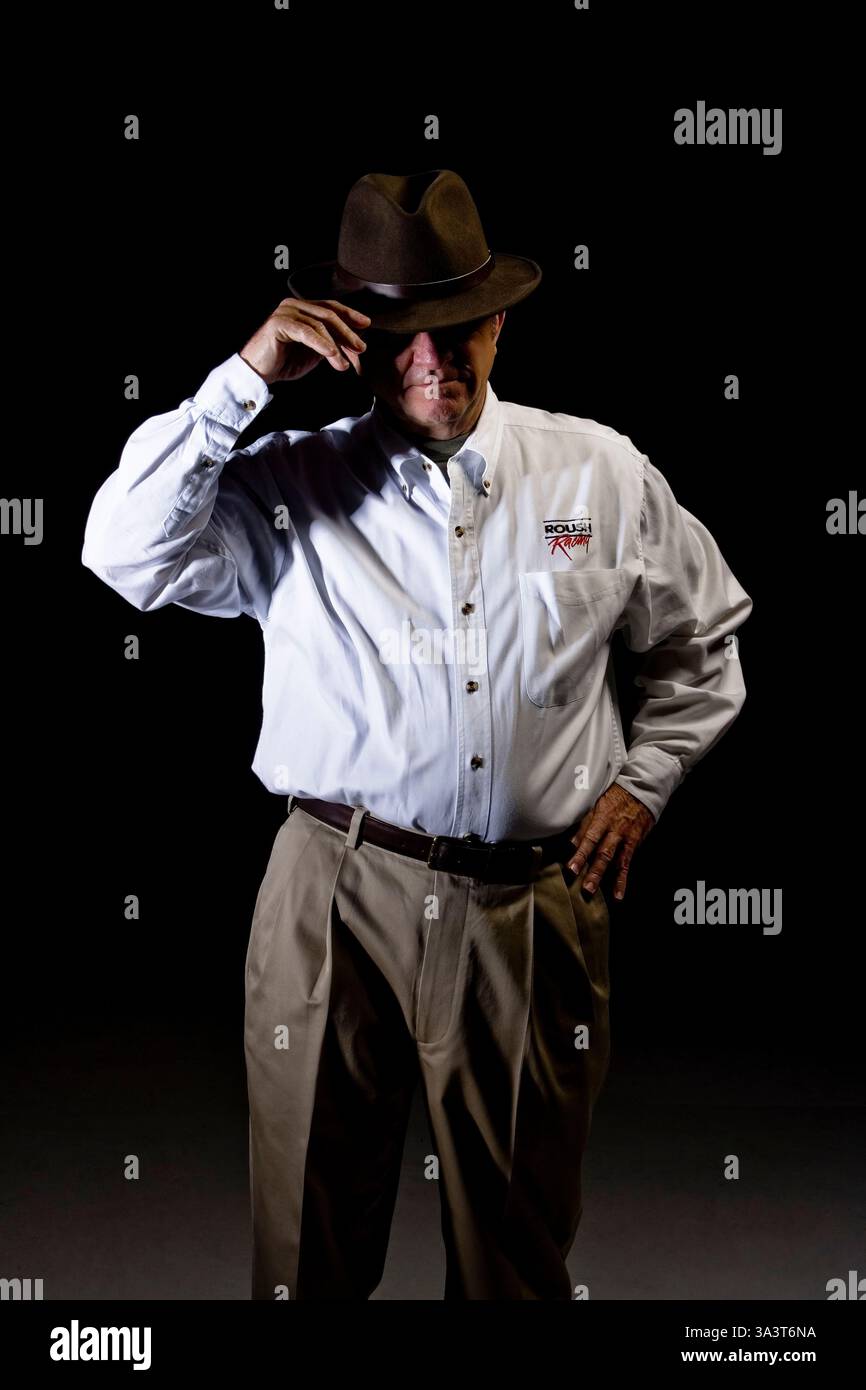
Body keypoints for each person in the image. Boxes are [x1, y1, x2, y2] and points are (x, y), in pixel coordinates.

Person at [81, 168, 753, 1301]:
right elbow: (122, 551)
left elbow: (703, 642)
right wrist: (242, 382)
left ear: (498, 321)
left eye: (455, 324)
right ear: (349, 340)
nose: (431, 358)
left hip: (527, 907)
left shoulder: (600, 472)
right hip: (331, 895)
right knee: (306, 1255)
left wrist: (643, 782)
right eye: (398, 333)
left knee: (513, 1262)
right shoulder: (290, 485)